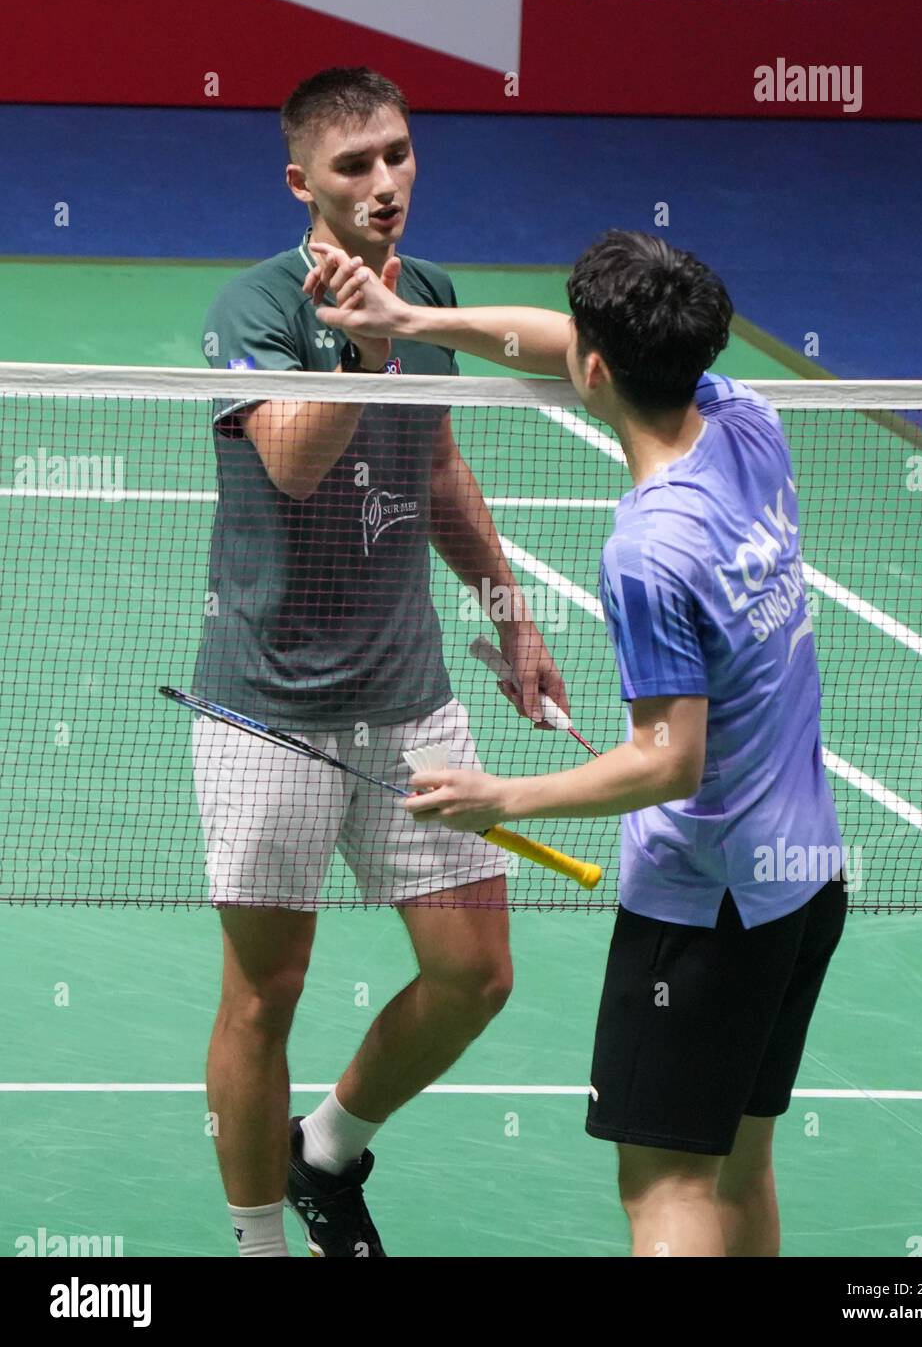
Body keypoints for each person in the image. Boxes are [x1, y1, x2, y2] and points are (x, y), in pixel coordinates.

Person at [310, 228, 848, 1257]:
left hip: (704, 905)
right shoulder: (747, 421)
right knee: (739, 1168)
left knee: (665, 1192)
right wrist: (410, 321)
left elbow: (665, 760)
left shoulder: (647, 547)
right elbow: (558, 337)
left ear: (595, 369)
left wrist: (495, 797)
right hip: (805, 875)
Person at [194, 66, 568, 1258]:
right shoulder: (250, 311)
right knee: (269, 988)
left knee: (476, 972)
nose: (385, 182)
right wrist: (360, 354)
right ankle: (256, 1242)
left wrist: (509, 611)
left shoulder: (435, 296)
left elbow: (440, 464)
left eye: (399, 154)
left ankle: (327, 1149)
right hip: (270, 709)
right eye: (355, 166)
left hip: (409, 697)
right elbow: (293, 464)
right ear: (302, 182)